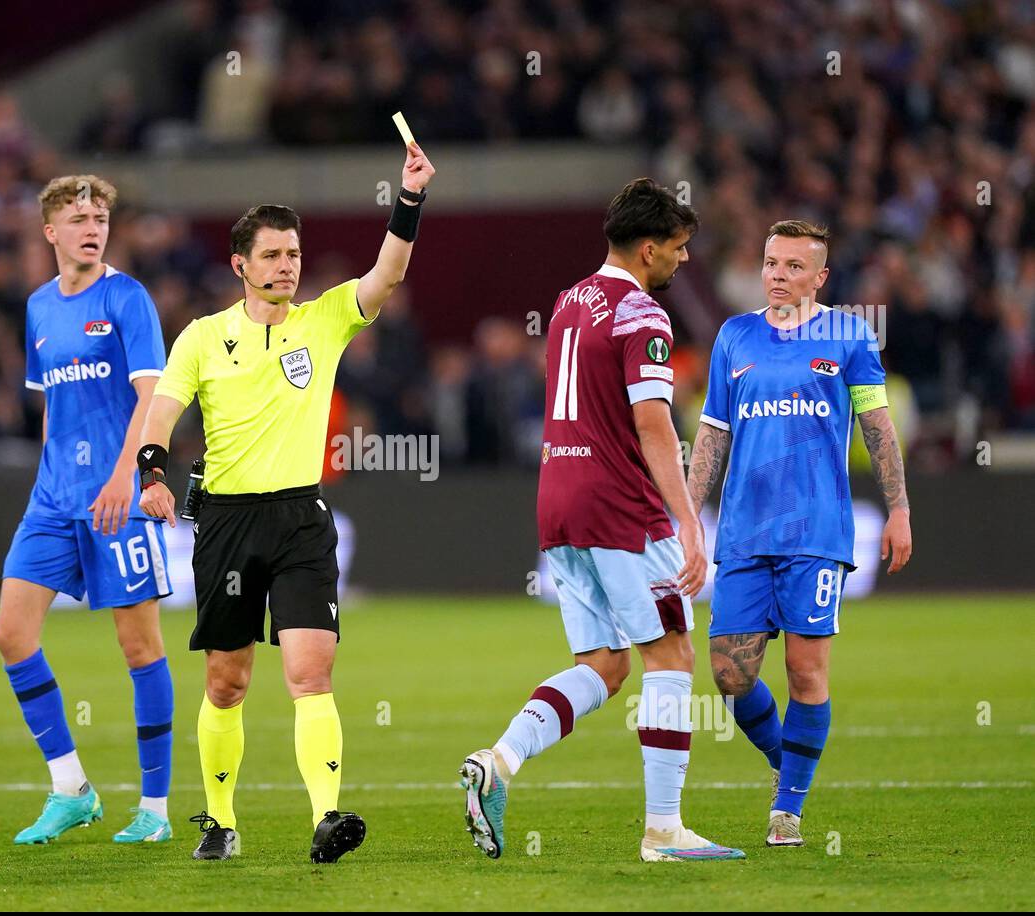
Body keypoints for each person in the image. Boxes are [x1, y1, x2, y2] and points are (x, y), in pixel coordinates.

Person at [138, 143, 436, 863]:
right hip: (228, 522)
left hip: (302, 518)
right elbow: (162, 411)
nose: (286, 266)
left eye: (293, 254)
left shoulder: (325, 318)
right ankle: (218, 820)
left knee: (311, 672)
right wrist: (151, 472)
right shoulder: (204, 337)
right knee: (227, 680)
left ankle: (327, 816)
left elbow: (388, 272)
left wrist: (409, 198)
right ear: (240, 265)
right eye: (271, 255)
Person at [461, 178, 745, 863]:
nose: (683, 259)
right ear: (648, 249)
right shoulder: (642, 313)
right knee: (671, 653)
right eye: (677, 247)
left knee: (604, 665)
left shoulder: (570, 301)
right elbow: (652, 423)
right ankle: (664, 831)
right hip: (618, 504)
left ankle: (498, 761)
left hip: (558, 498)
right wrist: (689, 519)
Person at [686, 219, 912, 847]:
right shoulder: (735, 336)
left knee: (806, 672)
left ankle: (787, 810)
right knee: (729, 673)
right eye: (770, 263)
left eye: (792, 266)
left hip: (816, 529)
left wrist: (898, 508)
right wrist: (687, 512)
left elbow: (877, 428)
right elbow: (712, 434)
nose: (778, 276)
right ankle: (786, 763)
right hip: (743, 531)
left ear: (820, 276)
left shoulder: (850, 336)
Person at [0, 175, 175, 845]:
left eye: (99, 218)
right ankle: (70, 787)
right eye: (78, 219)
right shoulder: (40, 307)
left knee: (139, 646)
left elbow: (152, 397)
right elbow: (51, 405)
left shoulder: (127, 298)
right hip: (53, 499)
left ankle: (154, 809)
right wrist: (47, 479)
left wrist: (129, 476)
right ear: (51, 232)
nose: (92, 228)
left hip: (117, 496)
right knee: (11, 634)